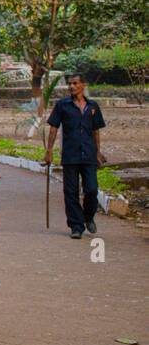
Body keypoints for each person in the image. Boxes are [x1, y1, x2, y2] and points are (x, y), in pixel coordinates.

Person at [44, 73, 107, 240]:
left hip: (89, 155)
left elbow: (96, 131)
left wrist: (98, 152)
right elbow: (53, 128)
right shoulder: (62, 105)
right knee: (70, 192)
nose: (71, 86)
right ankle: (76, 226)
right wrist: (49, 150)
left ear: (83, 85)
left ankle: (88, 217)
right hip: (70, 155)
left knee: (92, 189)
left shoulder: (93, 106)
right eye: (69, 84)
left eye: (75, 83)